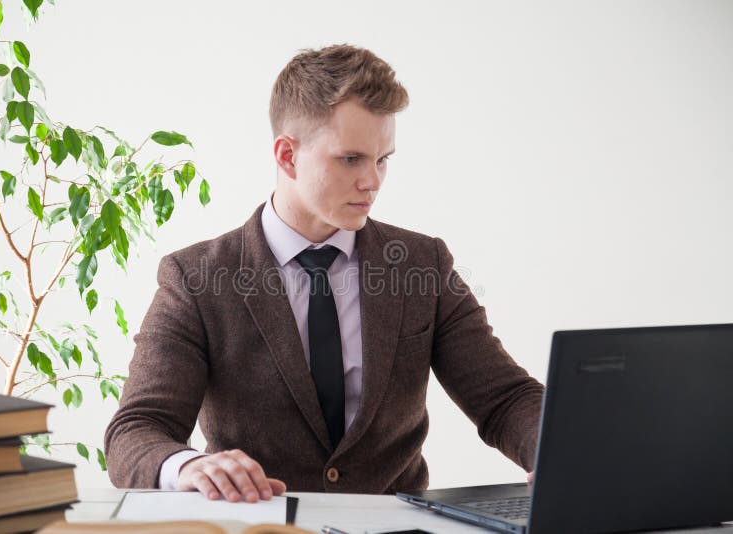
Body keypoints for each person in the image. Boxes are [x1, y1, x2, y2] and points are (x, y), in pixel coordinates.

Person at [104, 44, 543, 503]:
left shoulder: (422, 264)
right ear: (287, 155)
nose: (372, 181)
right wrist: (189, 466)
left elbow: (504, 398)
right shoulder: (196, 278)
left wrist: (557, 447)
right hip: (260, 524)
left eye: (383, 159)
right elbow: (136, 430)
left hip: (394, 524)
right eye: (351, 159)